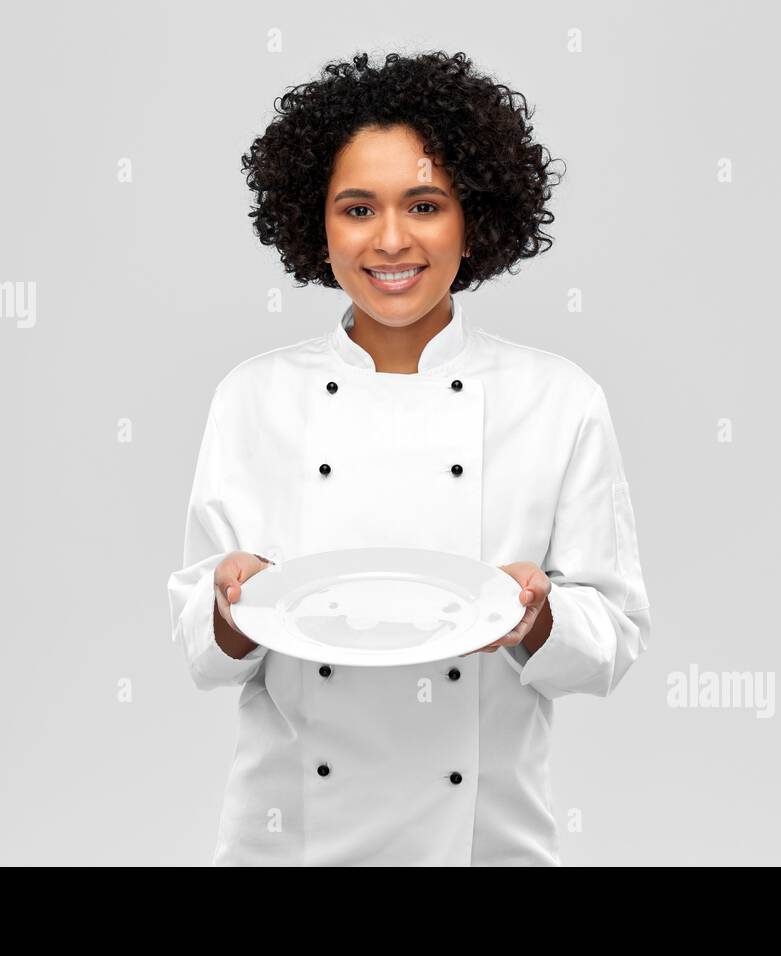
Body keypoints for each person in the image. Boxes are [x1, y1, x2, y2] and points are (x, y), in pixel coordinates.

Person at [167, 50, 650, 866]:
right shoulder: (253, 398)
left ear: (475, 216)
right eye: (357, 209)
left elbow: (615, 640)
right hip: (289, 840)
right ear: (316, 224)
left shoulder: (558, 400)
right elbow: (199, 647)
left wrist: (538, 616)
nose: (391, 240)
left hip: (485, 843)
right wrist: (230, 603)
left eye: (424, 204)